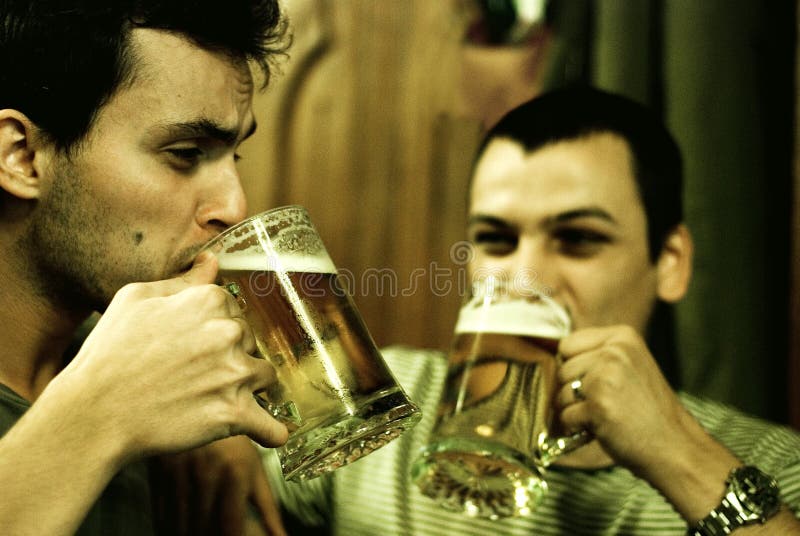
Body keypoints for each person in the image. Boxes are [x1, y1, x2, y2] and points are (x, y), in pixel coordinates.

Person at [263, 87, 800, 535]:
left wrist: (678, 456)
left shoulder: (773, 467)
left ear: (671, 263)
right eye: (496, 239)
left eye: (579, 239)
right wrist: (218, 453)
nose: (522, 279)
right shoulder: (379, 401)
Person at [0, 1, 293, 534]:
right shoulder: (116, 395)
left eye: (234, 155)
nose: (234, 205)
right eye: (185, 152)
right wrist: (102, 414)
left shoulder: (136, 373)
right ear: (21, 155)